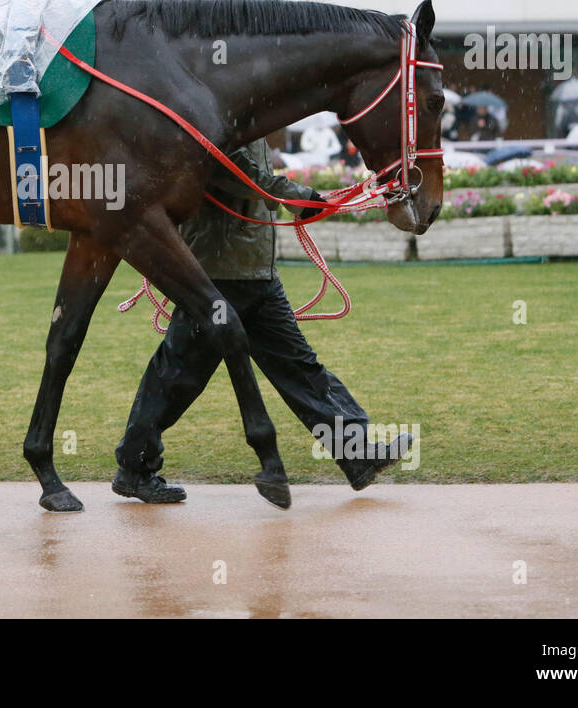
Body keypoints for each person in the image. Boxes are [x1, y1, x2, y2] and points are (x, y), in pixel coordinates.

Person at [112, 138, 412, 503]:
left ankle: (356, 453)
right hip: (214, 276)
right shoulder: (217, 111)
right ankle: (134, 467)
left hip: (258, 275)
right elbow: (235, 171)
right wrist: (298, 195)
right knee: (176, 375)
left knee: (300, 368)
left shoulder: (251, 112)